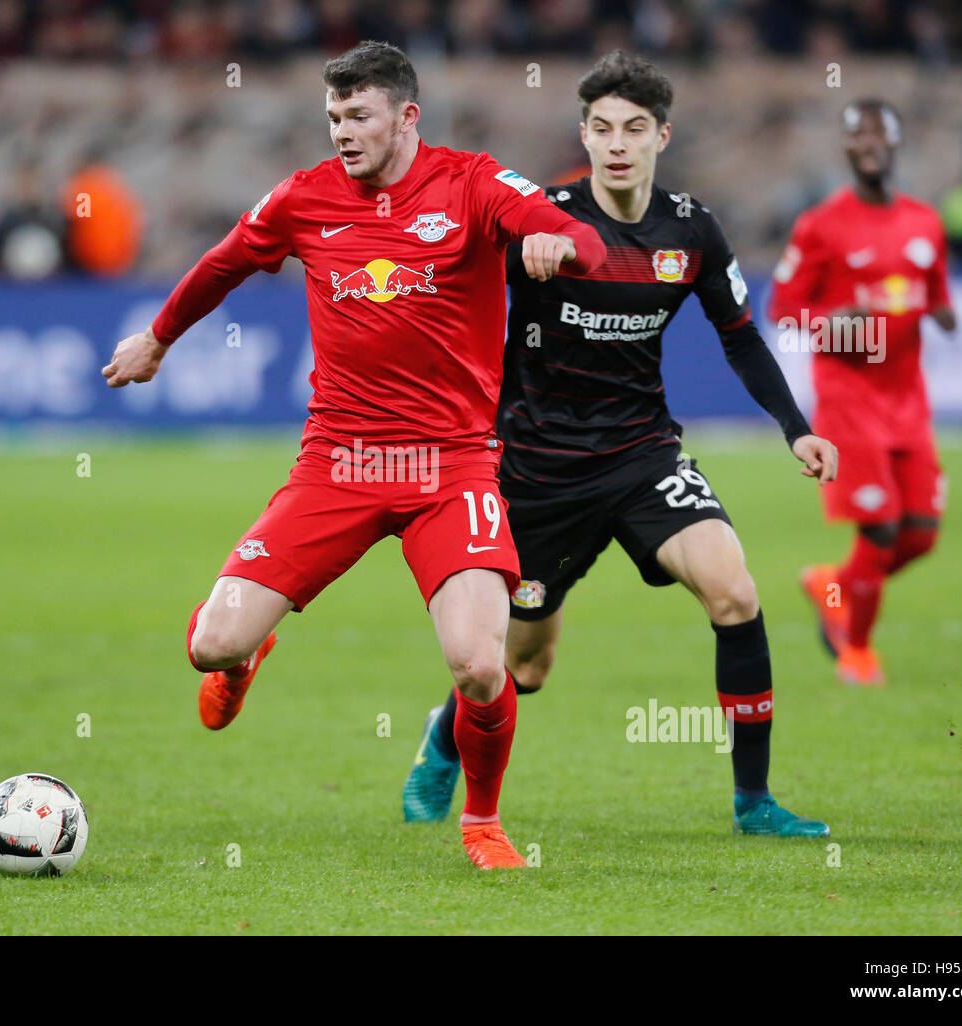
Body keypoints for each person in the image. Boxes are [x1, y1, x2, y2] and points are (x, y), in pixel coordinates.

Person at [101, 41, 606, 870]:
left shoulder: (473, 183)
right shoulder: (306, 198)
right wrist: (158, 340)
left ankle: (482, 824)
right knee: (211, 646)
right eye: (333, 116)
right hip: (339, 462)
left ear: (406, 117)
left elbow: (573, 234)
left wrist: (557, 248)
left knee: (481, 665)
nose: (341, 131)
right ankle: (249, 652)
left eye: (358, 116)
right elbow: (226, 262)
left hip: (451, 468)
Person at [402, 51, 835, 838]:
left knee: (735, 591)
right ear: (585, 135)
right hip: (535, 471)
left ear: (661, 136)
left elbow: (740, 337)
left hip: (642, 457)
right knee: (521, 667)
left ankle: (754, 802)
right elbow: (451, 277)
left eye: (634, 129)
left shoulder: (691, 229)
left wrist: (796, 428)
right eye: (602, 129)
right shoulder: (542, 216)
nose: (617, 144)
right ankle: (442, 738)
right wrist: (518, 251)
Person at [769, 99, 956, 686]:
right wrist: (832, 321)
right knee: (879, 528)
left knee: (920, 535)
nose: (871, 144)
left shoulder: (925, 221)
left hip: (907, 399)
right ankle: (857, 649)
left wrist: (942, 313)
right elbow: (784, 309)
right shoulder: (821, 224)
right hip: (848, 398)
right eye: (858, 136)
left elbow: (936, 294)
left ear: (897, 142)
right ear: (847, 148)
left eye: (881, 133)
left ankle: (830, 584)